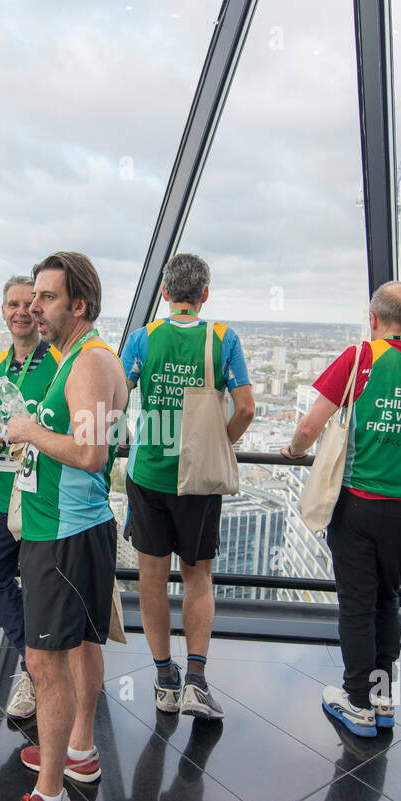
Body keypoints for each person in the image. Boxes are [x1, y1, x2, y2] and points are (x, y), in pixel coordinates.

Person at [0, 252, 127, 801]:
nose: (34, 307)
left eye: (46, 297)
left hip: (63, 534)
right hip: (66, 527)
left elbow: (92, 453)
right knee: (82, 645)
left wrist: (27, 431)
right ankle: (80, 752)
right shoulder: (75, 359)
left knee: (45, 665)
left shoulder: (90, 361)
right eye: (33, 297)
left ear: (79, 306)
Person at [281, 282, 401, 736]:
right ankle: (383, 697)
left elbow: (311, 425)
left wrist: (293, 451)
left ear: (373, 319)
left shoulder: (361, 358)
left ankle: (357, 702)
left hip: (359, 504)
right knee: (389, 599)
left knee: (356, 604)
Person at [120, 253, 254, 719]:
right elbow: (246, 408)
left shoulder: (143, 339)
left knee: (151, 580)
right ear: (205, 294)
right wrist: (219, 444)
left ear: (163, 293)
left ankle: (163, 679)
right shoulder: (224, 339)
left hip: (149, 476)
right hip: (199, 479)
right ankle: (196, 680)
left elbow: (117, 400)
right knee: (198, 576)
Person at [0, 274, 61, 720]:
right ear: (3, 311)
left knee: (44, 591)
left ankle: (40, 676)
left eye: (30, 303)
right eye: (12, 304)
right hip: (2, 495)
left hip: (42, 499)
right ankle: (33, 661)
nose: (22, 311)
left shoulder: (60, 362)